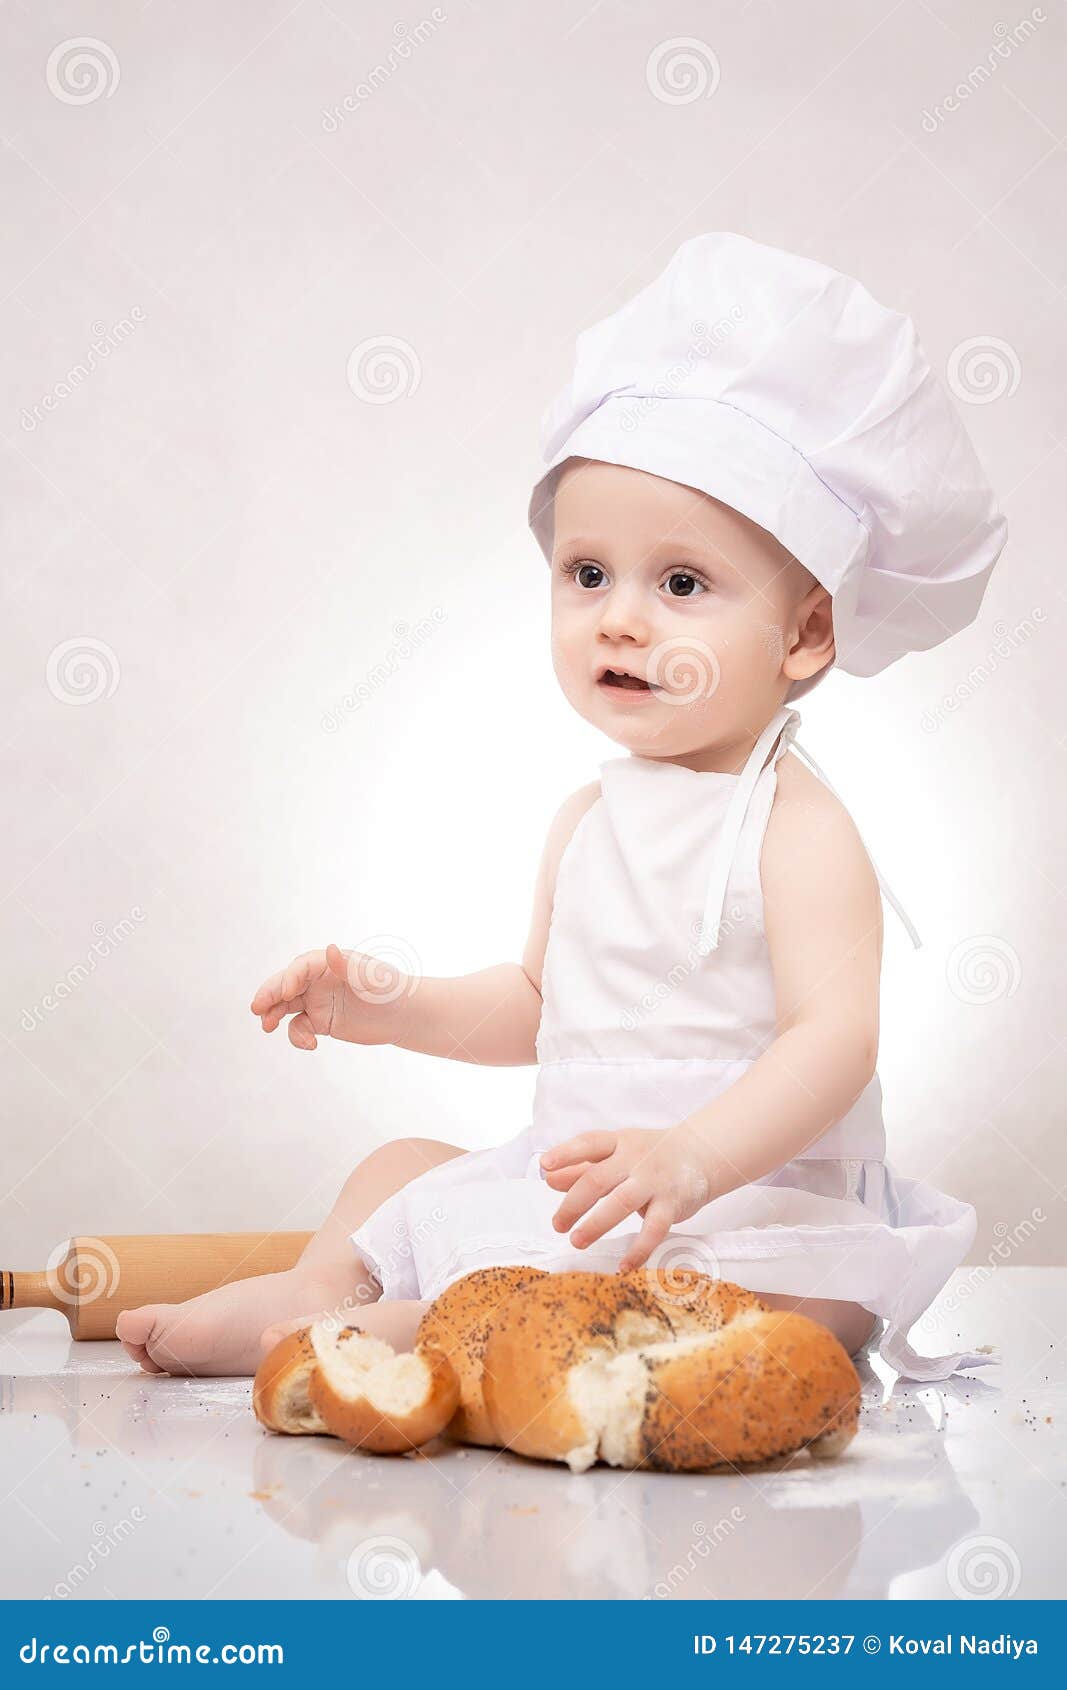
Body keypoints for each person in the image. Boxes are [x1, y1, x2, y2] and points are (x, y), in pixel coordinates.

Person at [117, 232, 1007, 1381]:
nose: (619, 619)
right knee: (399, 1164)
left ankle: (387, 1338)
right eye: (587, 573)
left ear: (805, 632)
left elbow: (831, 1040)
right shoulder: (587, 820)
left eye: (680, 583)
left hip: (751, 1200)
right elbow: (537, 1007)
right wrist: (390, 1004)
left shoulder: (797, 825)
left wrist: (690, 1159)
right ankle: (318, 1289)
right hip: (588, 1184)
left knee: (729, 1311)